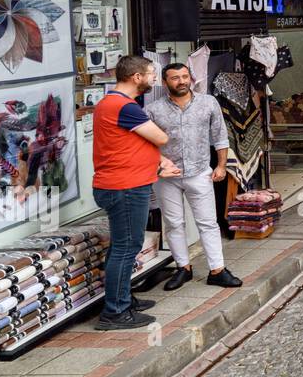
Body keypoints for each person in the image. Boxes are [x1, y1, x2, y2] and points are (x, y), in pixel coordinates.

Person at [92, 56, 178, 330]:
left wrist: (158, 161)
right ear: (135, 77)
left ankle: (123, 299)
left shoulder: (112, 104)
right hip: (125, 187)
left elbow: (129, 145)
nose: (154, 78)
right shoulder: (124, 107)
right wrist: (160, 154)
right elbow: (161, 137)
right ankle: (115, 312)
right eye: (151, 73)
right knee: (126, 247)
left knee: (122, 246)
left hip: (122, 184)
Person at [145, 64, 243, 292]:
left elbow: (220, 136)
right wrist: (159, 165)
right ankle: (183, 268)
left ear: (190, 78)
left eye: (184, 76)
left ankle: (217, 270)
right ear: (164, 81)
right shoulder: (153, 110)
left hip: (199, 172)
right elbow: (145, 145)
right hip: (167, 177)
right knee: (173, 223)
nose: (181, 81)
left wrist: (221, 166)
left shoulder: (208, 103)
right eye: (175, 78)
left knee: (208, 223)